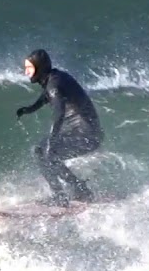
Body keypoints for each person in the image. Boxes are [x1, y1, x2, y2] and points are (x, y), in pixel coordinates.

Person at [15, 49, 102, 206]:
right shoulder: (56, 77)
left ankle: (61, 196)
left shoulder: (53, 84)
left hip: (86, 136)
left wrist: (52, 141)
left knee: (44, 152)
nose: (26, 71)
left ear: (39, 68)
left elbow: (59, 113)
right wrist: (31, 108)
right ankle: (79, 188)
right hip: (87, 133)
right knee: (43, 152)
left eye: (29, 68)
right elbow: (48, 96)